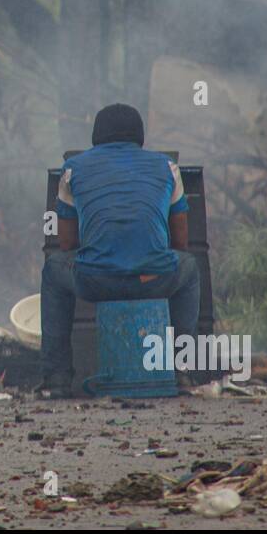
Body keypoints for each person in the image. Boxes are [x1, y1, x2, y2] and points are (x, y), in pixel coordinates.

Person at [38, 103, 200, 397]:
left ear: (96, 135)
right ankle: (181, 372)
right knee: (189, 266)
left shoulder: (73, 168)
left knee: (53, 268)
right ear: (139, 136)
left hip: (96, 283)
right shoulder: (167, 167)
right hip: (154, 282)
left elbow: (66, 244)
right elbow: (181, 241)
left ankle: (57, 379)